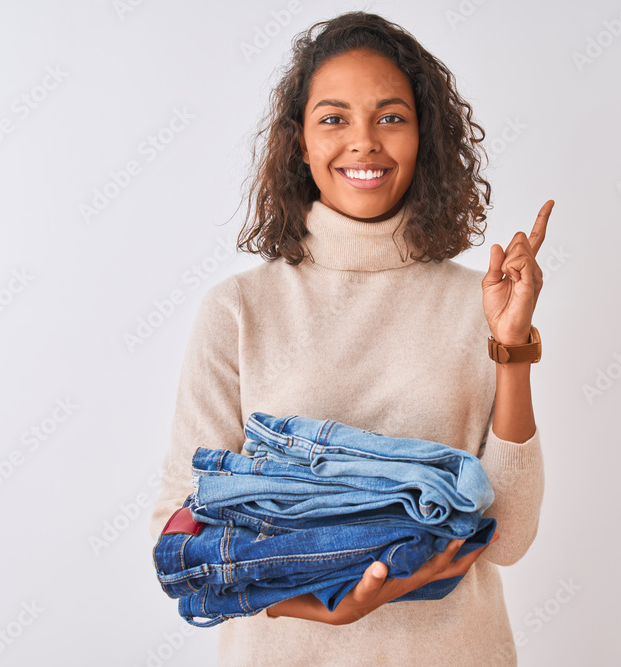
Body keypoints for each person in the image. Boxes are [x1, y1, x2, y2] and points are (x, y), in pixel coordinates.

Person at [149, 10, 551, 666]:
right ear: (300, 142)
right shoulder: (238, 308)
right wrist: (316, 601)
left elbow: (507, 537)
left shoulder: (480, 300)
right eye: (334, 118)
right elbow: (181, 525)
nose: (363, 142)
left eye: (391, 116)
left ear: (425, 137)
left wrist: (512, 348)